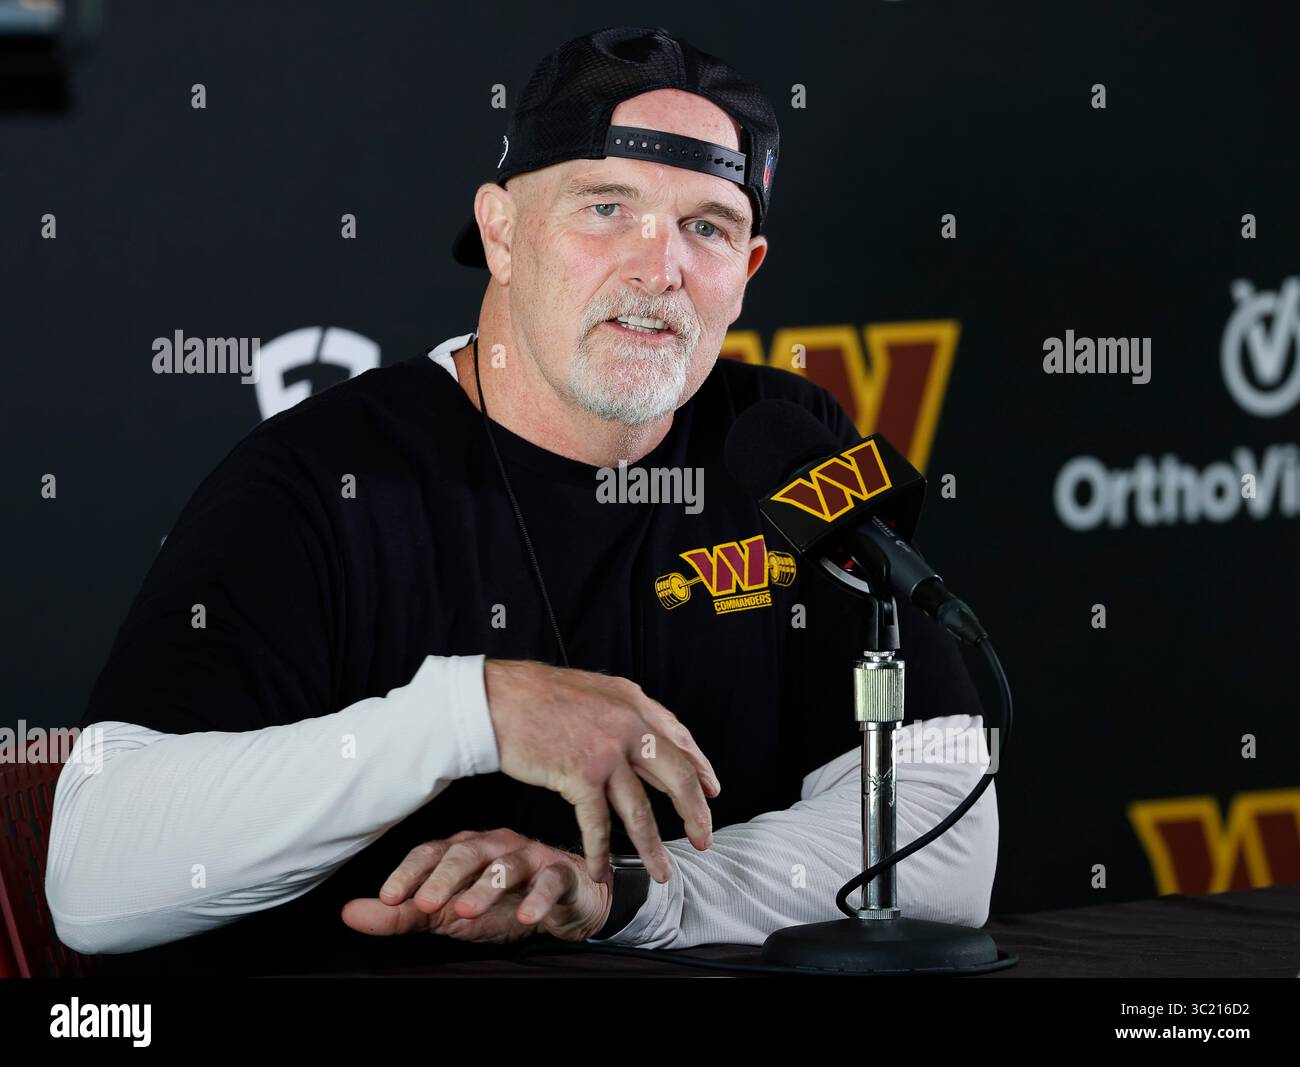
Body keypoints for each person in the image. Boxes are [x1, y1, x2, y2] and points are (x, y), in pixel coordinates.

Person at [46, 25, 997, 977]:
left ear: (745, 273)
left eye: (705, 226)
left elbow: (944, 835)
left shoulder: (790, 439)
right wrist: (471, 713)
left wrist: (624, 894)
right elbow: (91, 879)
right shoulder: (324, 476)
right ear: (501, 232)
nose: (657, 268)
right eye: (605, 207)